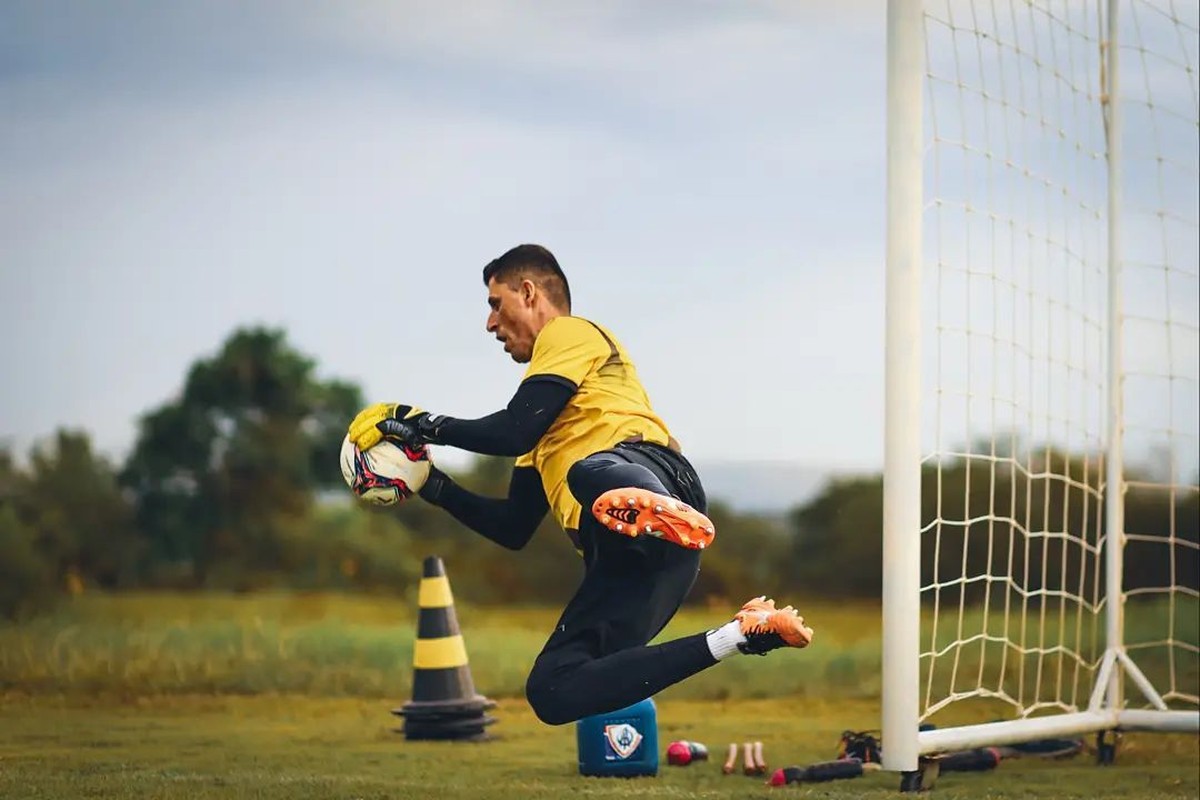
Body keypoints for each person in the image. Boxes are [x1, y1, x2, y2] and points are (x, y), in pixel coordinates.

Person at [347, 244, 813, 725]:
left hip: (652, 472)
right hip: (637, 558)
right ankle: (740, 635)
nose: (490, 323)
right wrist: (431, 483)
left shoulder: (569, 332)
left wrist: (419, 423)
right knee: (553, 689)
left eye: (495, 304)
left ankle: (651, 504)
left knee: (586, 473)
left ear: (529, 293)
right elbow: (512, 526)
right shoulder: (541, 433)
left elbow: (512, 429)